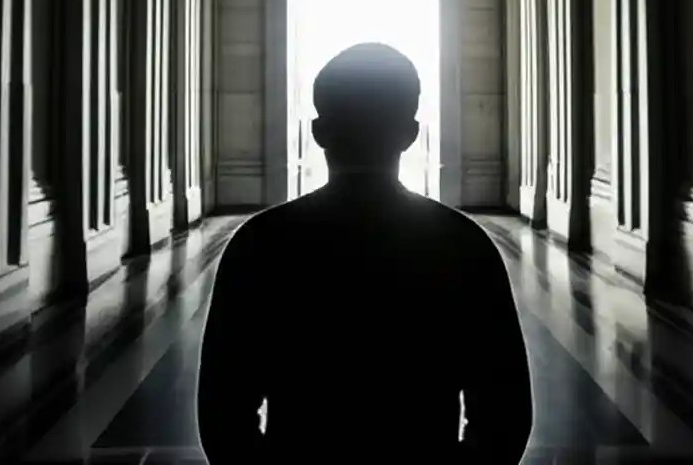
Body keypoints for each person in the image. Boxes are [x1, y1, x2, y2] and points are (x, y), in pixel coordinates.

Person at [197, 43, 533, 463]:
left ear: (319, 133)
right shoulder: (464, 244)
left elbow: (223, 411)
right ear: (410, 135)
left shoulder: (260, 242)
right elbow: (505, 413)